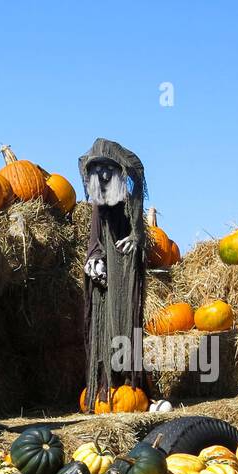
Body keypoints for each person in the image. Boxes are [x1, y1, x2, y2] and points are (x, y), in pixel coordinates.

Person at [79, 138, 148, 410]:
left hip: (126, 274)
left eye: (109, 168)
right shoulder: (99, 208)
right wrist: (93, 261)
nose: (104, 174)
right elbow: (93, 242)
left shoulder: (129, 203)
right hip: (104, 280)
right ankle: (106, 384)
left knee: (126, 324)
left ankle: (130, 384)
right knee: (103, 328)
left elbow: (138, 232)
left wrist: (136, 239)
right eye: (98, 169)